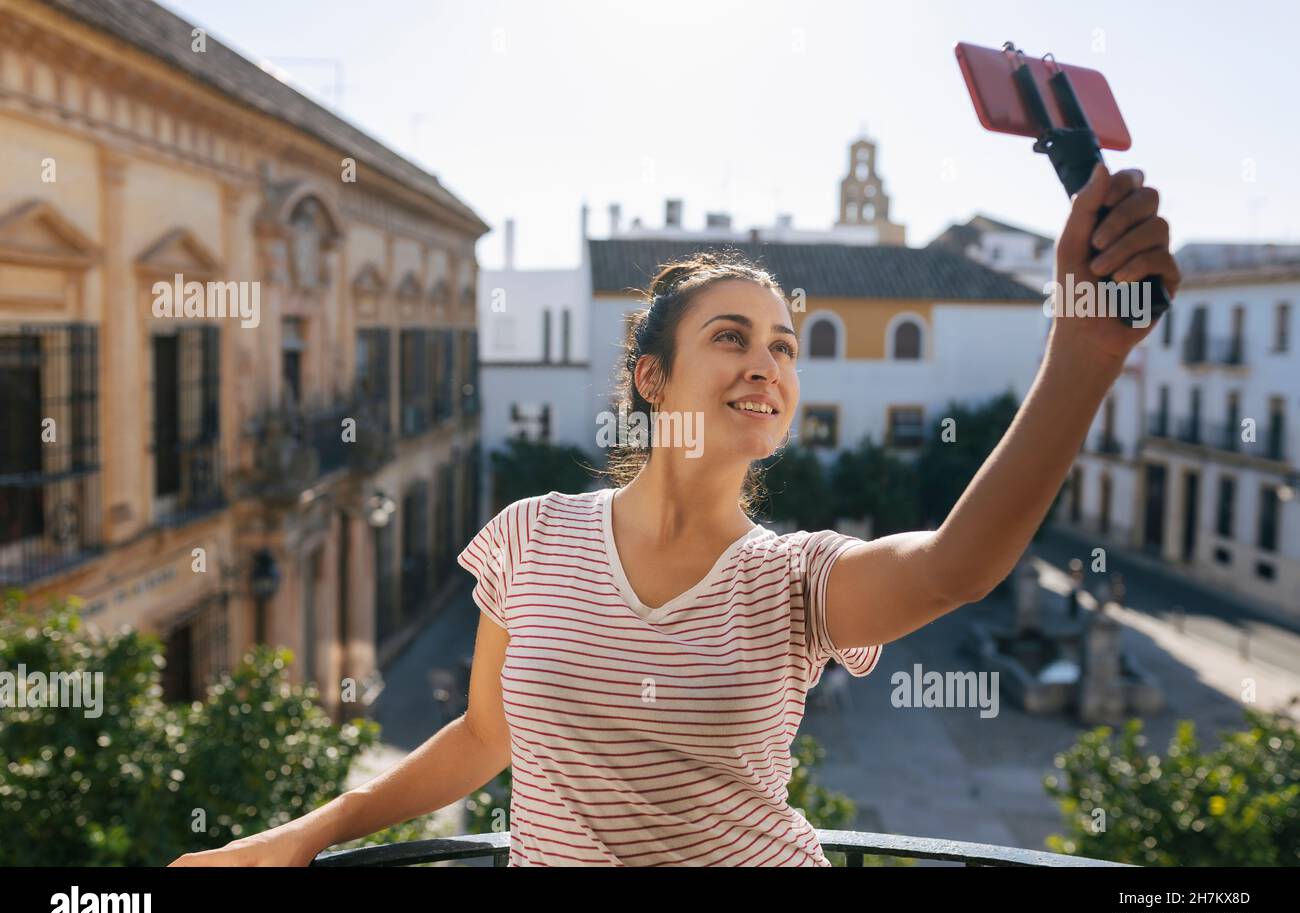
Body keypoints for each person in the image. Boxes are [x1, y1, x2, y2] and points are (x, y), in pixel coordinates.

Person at [169, 165, 1178, 867]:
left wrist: (1083, 354)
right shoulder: (531, 532)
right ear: (650, 377)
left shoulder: (794, 579)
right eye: (732, 336)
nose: (766, 363)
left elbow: (956, 566)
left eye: (785, 346)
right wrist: (307, 832)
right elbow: (485, 733)